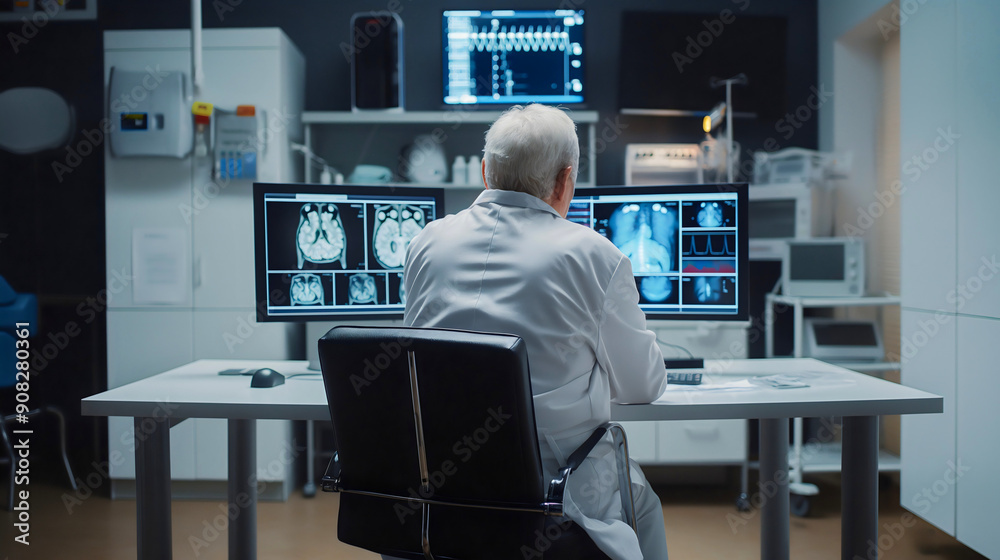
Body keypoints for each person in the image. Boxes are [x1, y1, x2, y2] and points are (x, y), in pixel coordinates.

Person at [402, 104, 669, 560]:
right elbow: (643, 387)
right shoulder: (593, 254)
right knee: (642, 502)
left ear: (485, 172)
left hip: (435, 496)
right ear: (565, 181)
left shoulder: (426, 241)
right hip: (549, 498)